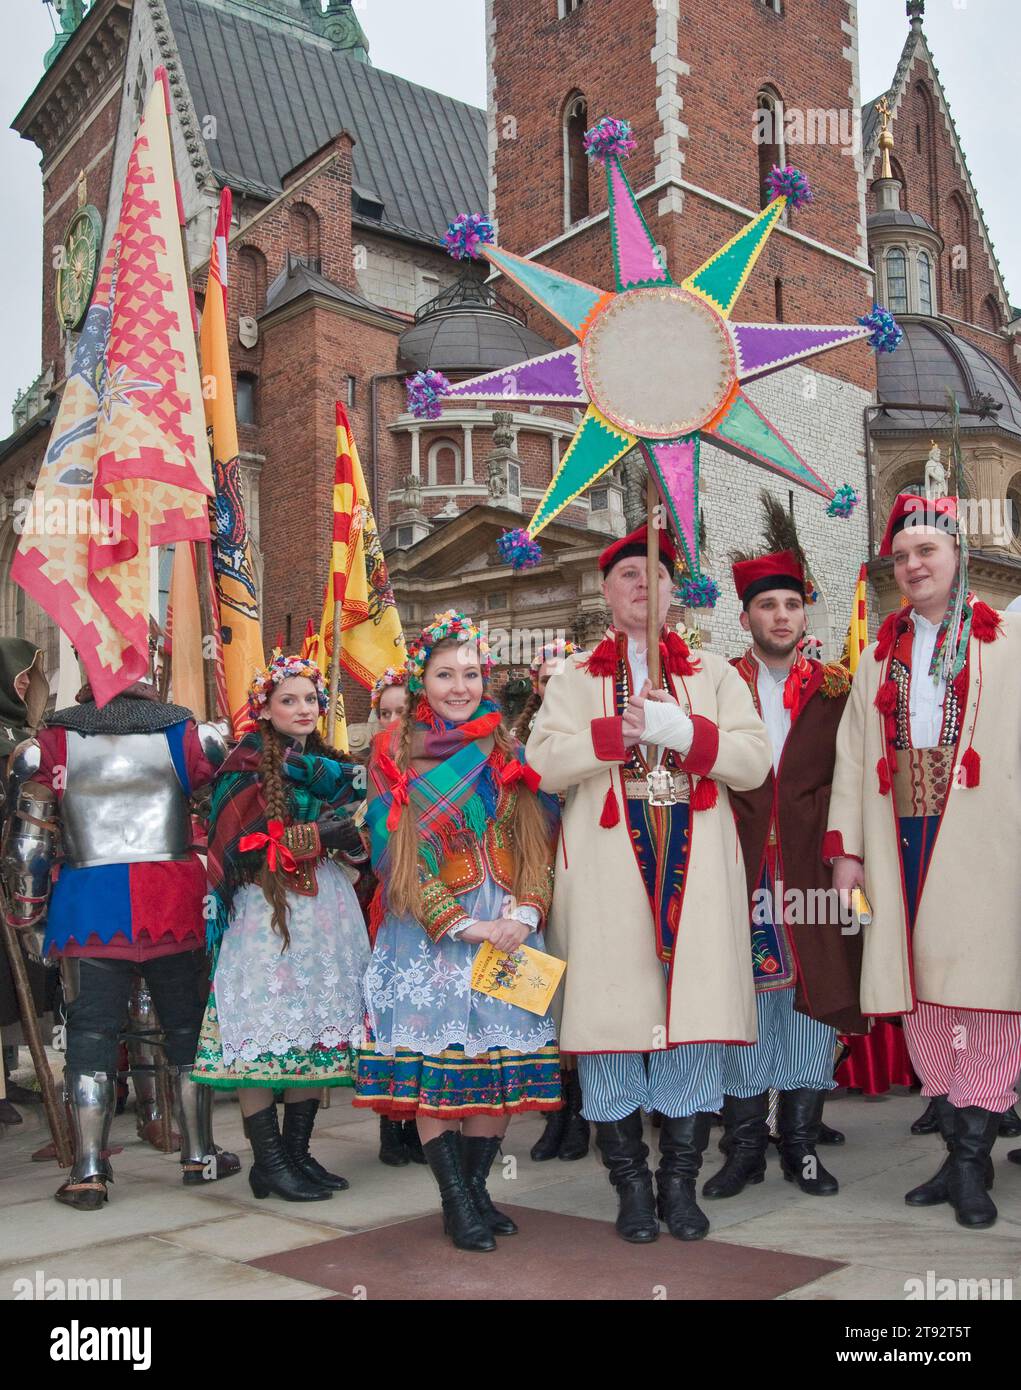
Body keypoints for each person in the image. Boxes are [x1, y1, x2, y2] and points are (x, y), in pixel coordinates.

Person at [528, 526, 771, 1243]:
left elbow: (752, 763)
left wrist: (683, 731)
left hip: (695, 865)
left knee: (690, 1029)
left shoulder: (714, 674)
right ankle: (631, 1188)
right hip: (607, 871)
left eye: (654, 574)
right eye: (626, 574)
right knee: (609, 1030)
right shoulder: (572, 677)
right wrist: (611, 738)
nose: (641, 583)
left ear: (673, 592)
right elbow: (541, 766)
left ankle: (679, 1185)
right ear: (605, 593)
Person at [827, 494, 1021, 1229]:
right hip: (899, 833)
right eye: (901, 557)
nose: (911, 566)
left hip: (983, 836)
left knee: (982, 990)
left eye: (925, 552)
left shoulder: (1003, 639)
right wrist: (846, 852)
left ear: (957, 557)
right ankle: (952, 1145)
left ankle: (973, 1165)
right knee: (920, 991)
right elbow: (851, 758)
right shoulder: (880, 652)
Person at [355, 611, 561, 1252]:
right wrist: (466, 924)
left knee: (499, 1073)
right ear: (423, 680)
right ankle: (455, 1201)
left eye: (471, 674)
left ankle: (476, 1193)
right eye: (445, 674)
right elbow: (397, 851)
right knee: (440, 1073)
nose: (460, 686)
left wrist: (525, 912)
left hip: (508, 924)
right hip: (432, 930)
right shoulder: (392, 752)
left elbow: (535, 840)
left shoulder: (507, 749)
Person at [1, 676, 240, 1210]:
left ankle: (88, 1170)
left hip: (90, 907)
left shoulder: (52, 740)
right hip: (172, 905)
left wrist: (28, 918)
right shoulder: (188, 734)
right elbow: (230, 815)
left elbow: (28, 844)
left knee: (91, 1036)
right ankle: (199, 1153)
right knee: (184, 1031)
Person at [702, 549, 864, 1203]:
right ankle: (743, 1149)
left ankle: (799, 1147)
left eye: (791, 604)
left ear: (804, 614)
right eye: (767, 605)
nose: (780, 615)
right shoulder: (717, 684)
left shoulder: (835, 688)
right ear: (745, 617)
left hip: (811, 871)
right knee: (746, 1000)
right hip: (737, 868)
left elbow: (851, 778)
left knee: (812, 1002)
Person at [192, 655, 370, 1202]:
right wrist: (317, 835)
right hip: (266, 916)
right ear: (265, 708)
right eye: (287, 700)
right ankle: (267, 1161)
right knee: (261, 1030)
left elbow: (360, 839)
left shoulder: (332, 766)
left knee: (312, 1029)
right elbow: (243, 850)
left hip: (326, 911)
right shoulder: (244, 765)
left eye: (310, 700)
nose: (301, 709)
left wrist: (351, 838)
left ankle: (297, 1153)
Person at [513, 640, 590, 1165]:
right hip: (530, 873)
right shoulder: (516, 739)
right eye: (547, 678)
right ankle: (553, 1111)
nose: (555, 685)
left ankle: (587, 1113)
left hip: (582, 871)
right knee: (541, 993)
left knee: (582, 995)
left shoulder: (587, 735)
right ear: (536, 686)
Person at [0, 638, 50, 1126]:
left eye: (29, 677)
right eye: (17, 674)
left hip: (14, 871)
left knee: (17, 987)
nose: (23, 683)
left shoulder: (25, 734)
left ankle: (10, 1077)